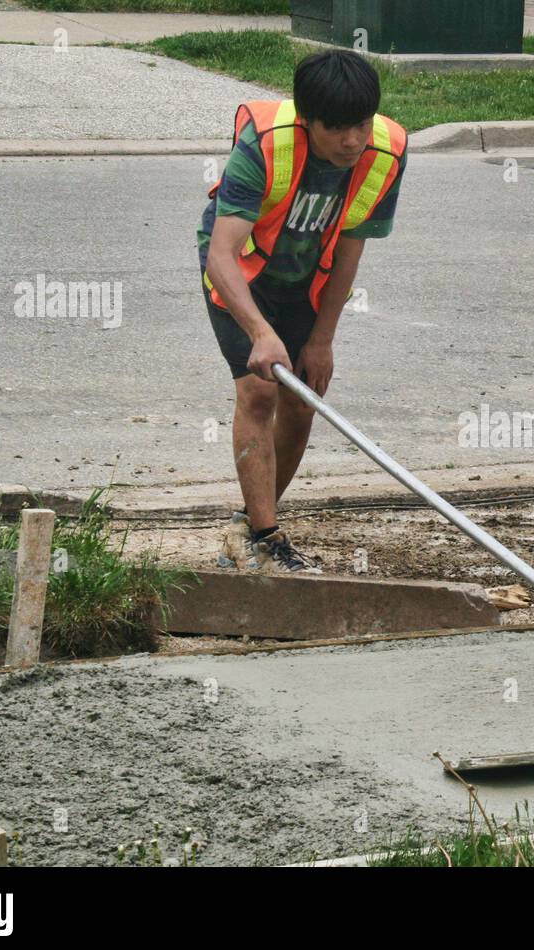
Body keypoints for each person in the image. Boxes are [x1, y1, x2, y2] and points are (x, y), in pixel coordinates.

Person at [197, 50, 407, 573]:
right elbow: (221, 255)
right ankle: (267, 541)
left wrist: (322, 340)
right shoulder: (265, 144)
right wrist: (260, 333)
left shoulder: (387, 152)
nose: (353, 141)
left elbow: (351, 250)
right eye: (337, 129)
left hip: (306, 279)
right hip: (241, 276)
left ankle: (248, 526)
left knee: (304, 394)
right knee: (261, 389)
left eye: (361, 125)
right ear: (307, 119)